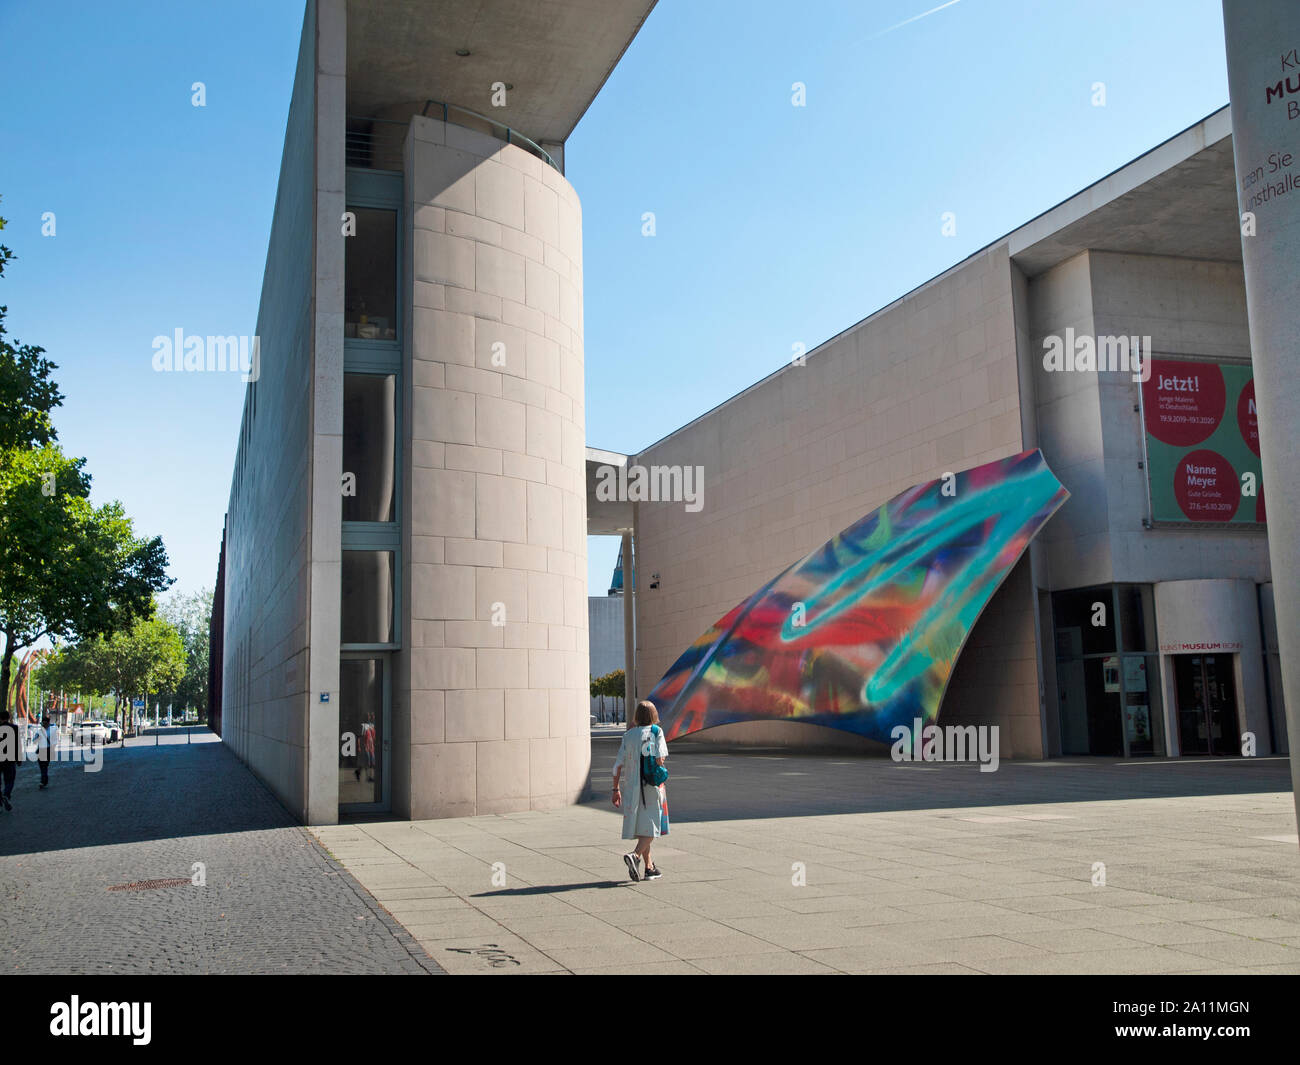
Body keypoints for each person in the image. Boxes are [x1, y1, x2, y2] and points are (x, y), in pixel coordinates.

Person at [611, 700, 668, 882]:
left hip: (632, 788)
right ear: (653, 715)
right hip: (651, 787)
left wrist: (615, 789)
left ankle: (649, 867)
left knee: (643, 826)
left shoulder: (628, 735)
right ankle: (634, 856)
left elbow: (617, 766)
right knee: (653, 827)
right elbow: (660, 759)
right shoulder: (656, 732)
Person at [0, 711, 21, 811]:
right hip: (10, 759)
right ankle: (6, 794)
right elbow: (17, 744)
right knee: (10, 780)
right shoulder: (15, 728)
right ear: (9, 718)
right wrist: (19, 758)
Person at [36, 715, 56, 789]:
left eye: (45, 723)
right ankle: (44, 780)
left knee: (44, 766)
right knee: (42, 766)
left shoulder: (52, 731)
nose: (44, 725)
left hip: (48, 750)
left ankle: (43, 781)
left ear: (48, 723)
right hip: (40, 750)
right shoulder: (39, 731)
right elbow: (34, 740)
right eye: (42, 723)